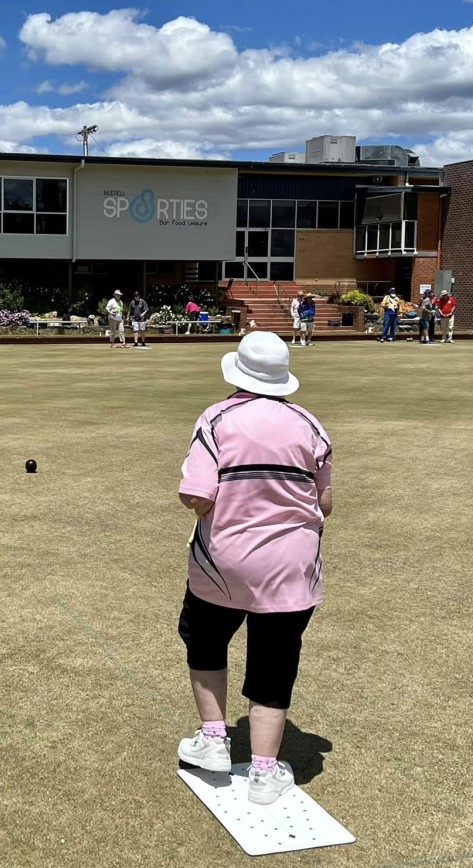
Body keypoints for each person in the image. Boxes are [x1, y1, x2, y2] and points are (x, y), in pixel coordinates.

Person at [175, 332, 333, 806]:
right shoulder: (311, 424)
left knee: (204, 639)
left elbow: (197, 495)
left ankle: (214, 739)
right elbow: (326, 502)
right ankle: (265, 772)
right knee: (276, 659)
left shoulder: (217, 418)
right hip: (292, 564)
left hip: (223, 561)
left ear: (237, 372)